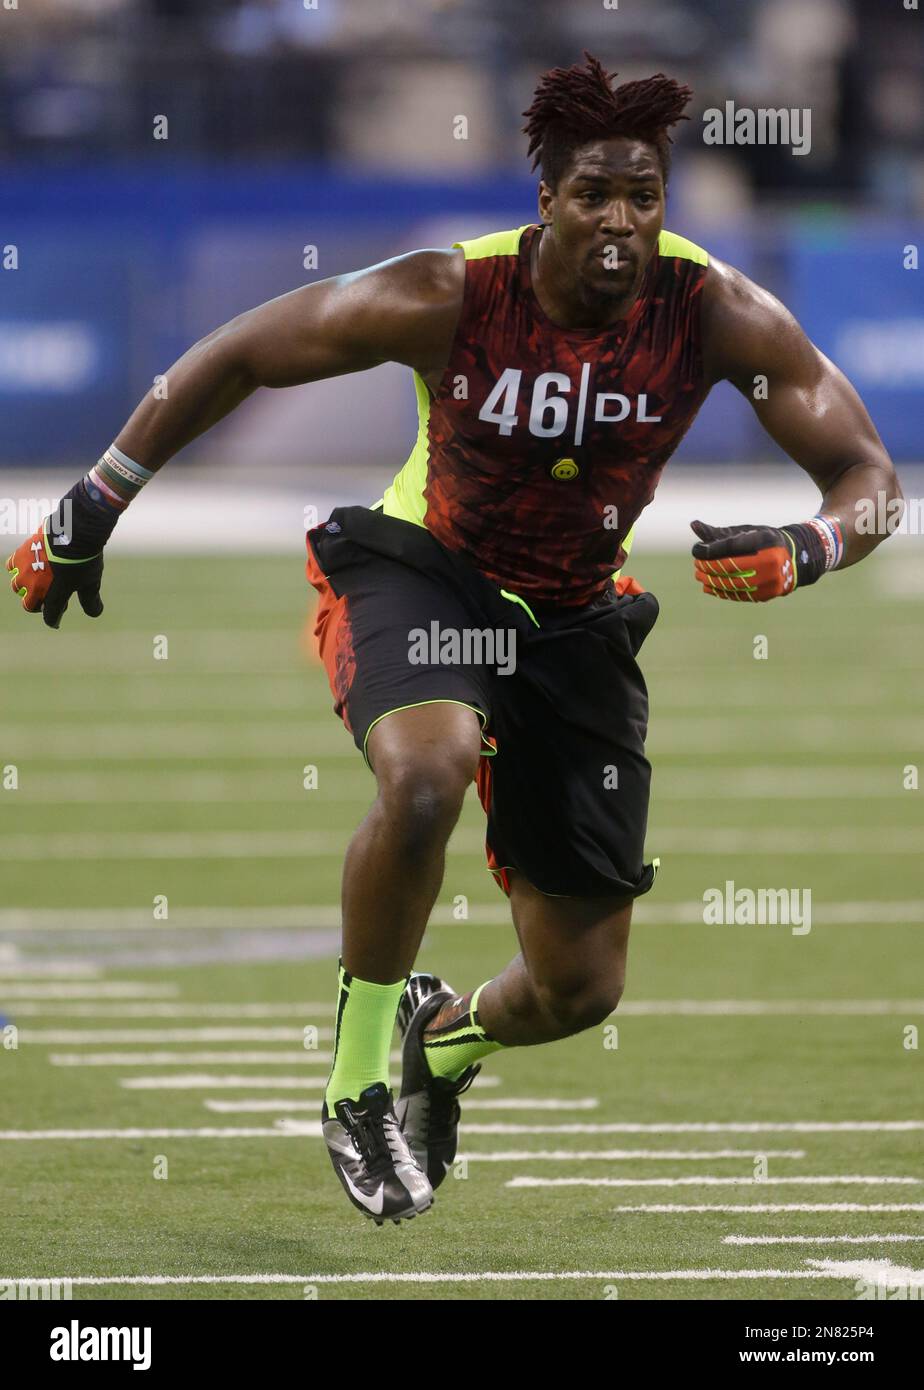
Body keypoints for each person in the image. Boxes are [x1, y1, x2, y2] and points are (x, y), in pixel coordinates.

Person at [7, 52, 900, 1226]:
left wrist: (807, 547)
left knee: (579, 987)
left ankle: (441, 1041)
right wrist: (96, 501)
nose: (622, 221)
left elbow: (869, 477)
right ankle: (358, 1075)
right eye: (595, 195)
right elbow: (239, 353)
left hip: (577, 616)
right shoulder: (452, 292)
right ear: (547, 203)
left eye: (644, 195)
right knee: (425, 777)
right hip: (425, 572)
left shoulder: (716, 309)